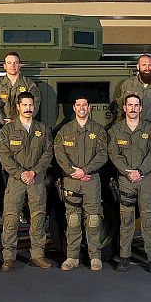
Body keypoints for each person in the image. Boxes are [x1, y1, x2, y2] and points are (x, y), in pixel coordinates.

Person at [0, 91, 53, 271]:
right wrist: (20, 173)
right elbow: (4, 155)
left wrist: (34, 172)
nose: (28, 108)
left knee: (38, 218)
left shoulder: (42, 129)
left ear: (34, 107)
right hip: (16, 180)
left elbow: (48, 153)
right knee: (11, 218)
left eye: (31, 105)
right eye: (25, 105)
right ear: (18, 107)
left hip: (36, 180)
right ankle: (8, 257)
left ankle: (37, 255)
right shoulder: (7, 130)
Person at [107, 93, 151, 273]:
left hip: (145, 180)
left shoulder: (150, 130)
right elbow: (113, 154)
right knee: (126, 220)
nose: (133, 108)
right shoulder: (115, 130)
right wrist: (127, 172)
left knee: (148, 220)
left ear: (141, 108)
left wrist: (141, 171)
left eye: (136, 105)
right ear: (124, 107)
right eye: (129, 105)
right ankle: (124, 257)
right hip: (125, 180)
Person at [54, 96, 108, 271]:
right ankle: (72, 257)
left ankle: (95, 258)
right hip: (71, 180)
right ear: (74, 108)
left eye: (85, 104)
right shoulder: (65, 130)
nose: (82, 107)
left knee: (93, 219)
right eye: (78, 105)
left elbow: (103, 154)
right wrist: (73, 172)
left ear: (89, 107)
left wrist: (85, 171)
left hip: (91, 180)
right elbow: (59, 153)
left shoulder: (98, 131)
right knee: (73, 220)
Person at [0, 52, 41, 127]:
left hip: (22, 126)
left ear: (19, 65)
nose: (13, 66)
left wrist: (17, 122)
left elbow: (34, 106)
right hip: (0, 126)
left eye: (15, 63)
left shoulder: (29, 85)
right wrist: (2, 122)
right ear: (5, 66)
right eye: (9, 63)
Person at [115, 55, 151, 127]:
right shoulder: (127, 85)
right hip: (131, 127)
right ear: (138, 67)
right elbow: (120, 108)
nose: (147, 68)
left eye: (149, 65)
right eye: (144, 65)